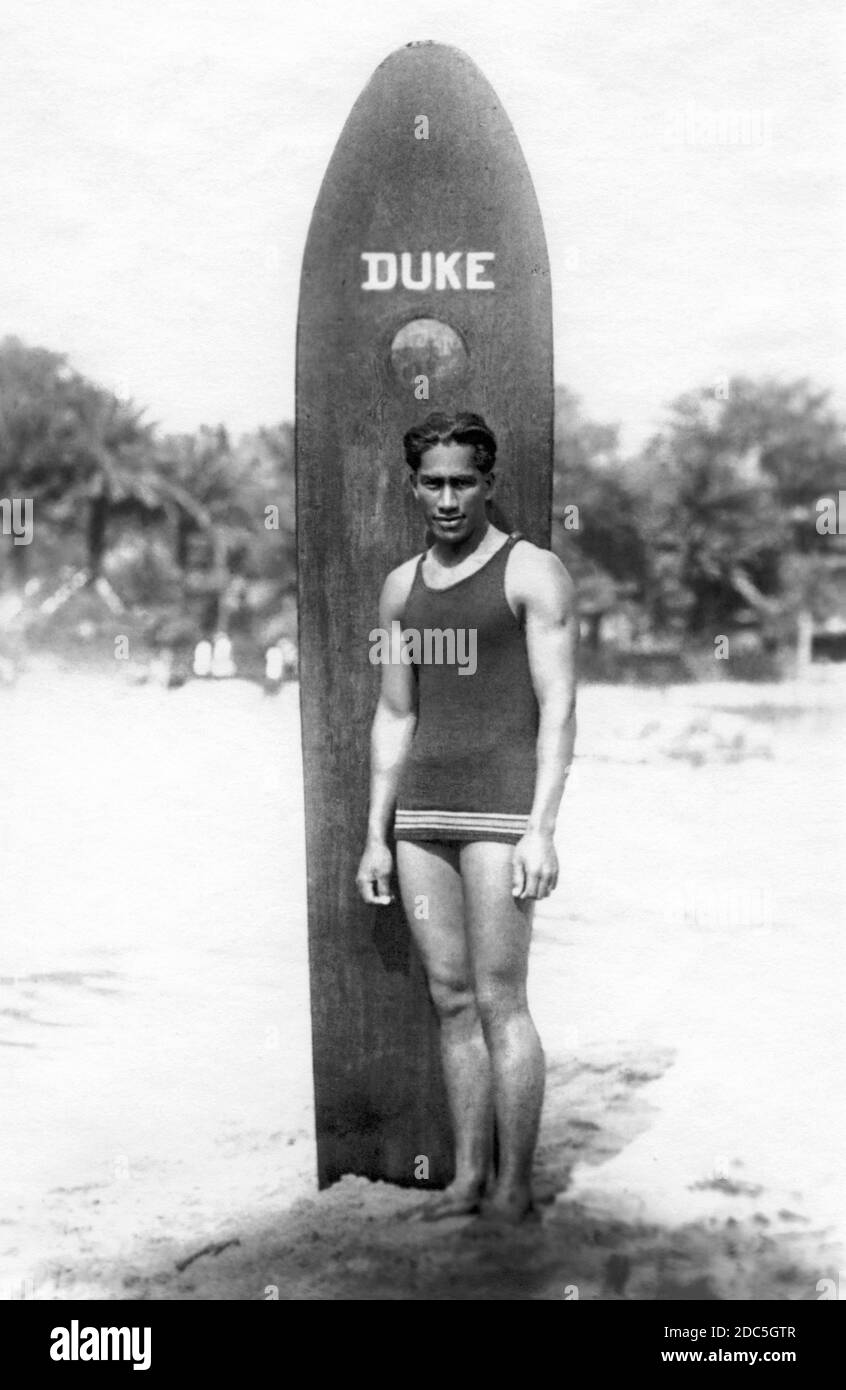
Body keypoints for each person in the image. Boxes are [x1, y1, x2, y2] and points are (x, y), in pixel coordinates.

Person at [356, 411, 578, 1223]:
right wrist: (375, 834)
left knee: (499, 999)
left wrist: (542, 827)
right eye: (433, 483)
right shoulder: (398, 588)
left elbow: (559, 709)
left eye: (463, 482)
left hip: (498, 813)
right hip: (420, 815)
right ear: (411, 485)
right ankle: (464, 1179)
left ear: (487, 483)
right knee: (450, 999)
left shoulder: (532, 572)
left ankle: (514, 1188)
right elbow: (393, 715)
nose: (447, 498)